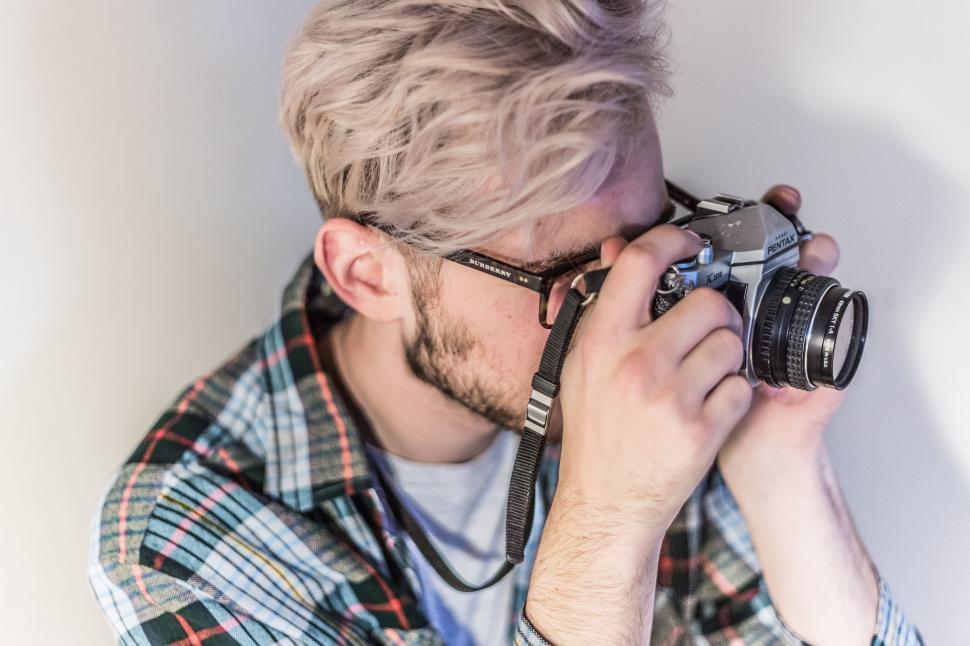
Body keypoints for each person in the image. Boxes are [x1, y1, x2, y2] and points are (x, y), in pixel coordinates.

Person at [89, 1, 922, 644]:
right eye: (569, 279)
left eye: (644, 241)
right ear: (368, 274)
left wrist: (778, 461)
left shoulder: (676, 338)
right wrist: (608, 522)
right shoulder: (184, 537)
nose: (626, 315)